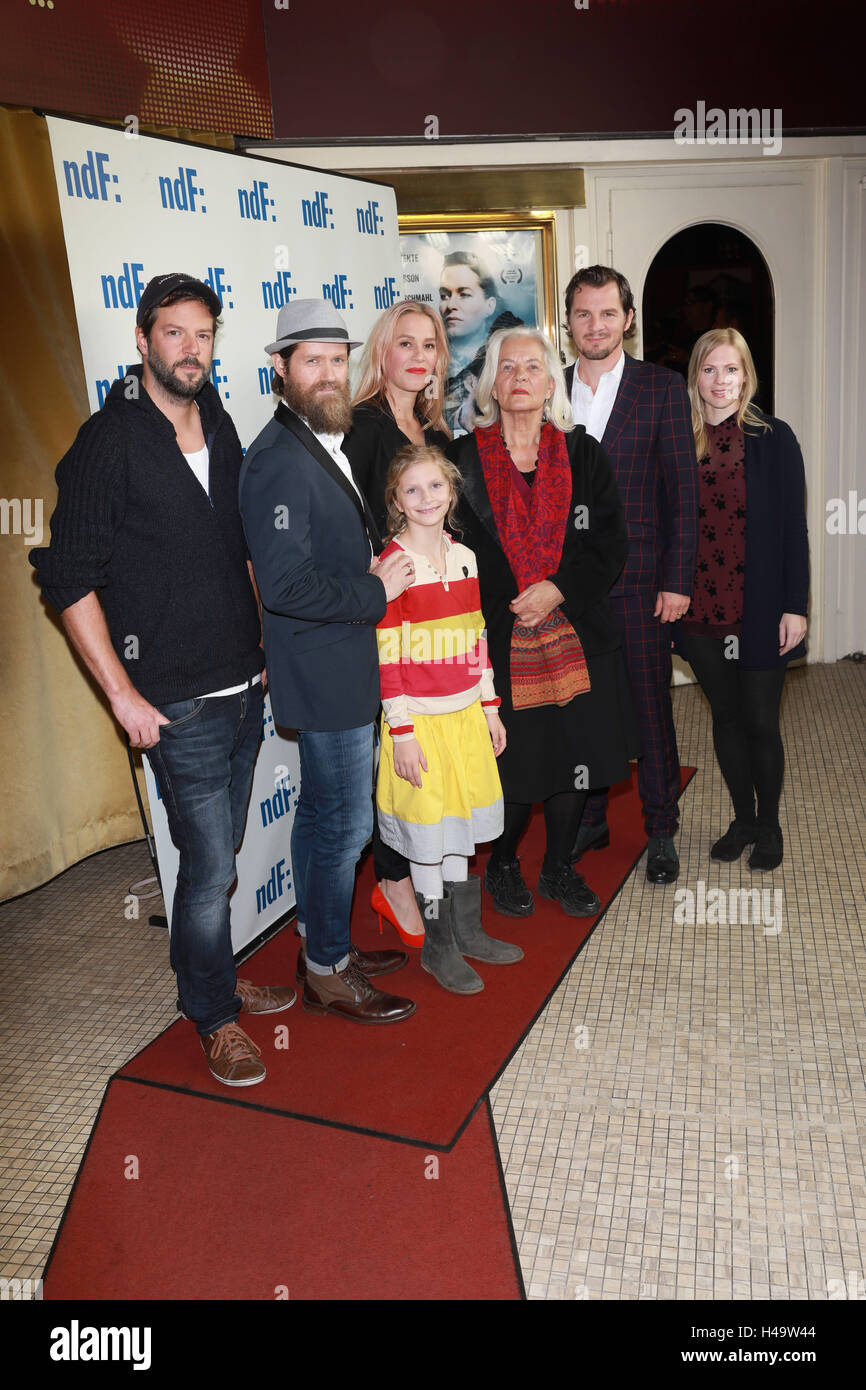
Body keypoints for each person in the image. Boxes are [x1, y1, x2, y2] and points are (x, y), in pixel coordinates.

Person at [30, 273, 294, 1088]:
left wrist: (270, 652)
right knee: (211, 864)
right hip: (174, 704)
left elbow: (244, 544)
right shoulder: (108, 442)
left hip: (245, 683)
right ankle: (212, 1015)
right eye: (173, 333)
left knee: (215, 858)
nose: (190, 348)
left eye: (203, 334)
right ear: (143, 341)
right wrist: (123, 698)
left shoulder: (217, 418)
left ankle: (205, 977)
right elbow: (65, 575)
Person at [238, 299, 418, 1024]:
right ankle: (329, 971)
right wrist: (375, 588)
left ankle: (322, 938)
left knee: (319, 816)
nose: (328, 373)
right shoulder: (279, 459)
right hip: (326, 668)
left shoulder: (318, 439)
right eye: (311, 361)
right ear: (279, 368)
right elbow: (283, 586)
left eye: (338, 360)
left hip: (337, 660)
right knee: (345, 826)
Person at [447, 328, 639, 919]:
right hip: (499, 642)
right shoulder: (460, 460)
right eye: (508, 368)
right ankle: (503, 863)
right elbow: (446, 549)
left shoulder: (583, 454)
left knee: (574, 760)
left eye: (533, 366)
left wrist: (557, 590)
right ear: (492, 386)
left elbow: (610, 544)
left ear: (552, 383)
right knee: (513, 762)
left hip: (576, 632)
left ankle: (558, 866)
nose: (521, 377)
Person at [564, 265, 699, 884]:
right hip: (565, 586)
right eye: (584, 314)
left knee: (648, 707)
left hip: (642, 581)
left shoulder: (662, 388)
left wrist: (677, 579)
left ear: (628, 319)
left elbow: (683, 492)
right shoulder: (552, 390)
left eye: (608, 313)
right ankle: (591, 814)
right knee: (582, 708)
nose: (596, 325)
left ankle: (661, 826)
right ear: (568, 322)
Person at [375, 444, 523, 992]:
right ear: (397, 500)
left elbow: (476, 638)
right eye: (412, 489)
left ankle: (468, 930)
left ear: (452, 493)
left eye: (436, 486)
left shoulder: (466, 557)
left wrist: (489, 707)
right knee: (429, 836)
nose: (426, 498)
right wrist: (403, 732)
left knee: (460, 829)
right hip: (420, 726)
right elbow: (387, 657)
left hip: (465, 719)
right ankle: (438, 948)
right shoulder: (392, 568)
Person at [675, 329, 808, 870]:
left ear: (746, 377)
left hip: (760, 607)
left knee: (760, 721)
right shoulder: (679, 439)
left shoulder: (774, 437)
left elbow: (794, 529)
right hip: (700, 610)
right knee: (726, 719)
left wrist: (795, 605)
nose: (720, 382)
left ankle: (770, 824)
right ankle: (743, 818)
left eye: (731, 370)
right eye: (710, 370)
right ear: (696, 378)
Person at [343, 300, 451, 947]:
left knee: (421, 749)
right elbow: (347, 529)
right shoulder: (363, 427)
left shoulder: (433, 432)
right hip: (386, 612)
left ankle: (412, 870)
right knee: (394, 747)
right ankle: (392, 881)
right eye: (404, 343)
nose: (417, 355)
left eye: (429, 345)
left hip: (435, 615)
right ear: (381, 353)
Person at [439, 250, 521, 435]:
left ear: (489, 305)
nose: (450, 304)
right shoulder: (426, 362)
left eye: (464, 294)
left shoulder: (510, 364)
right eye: (445, 295)